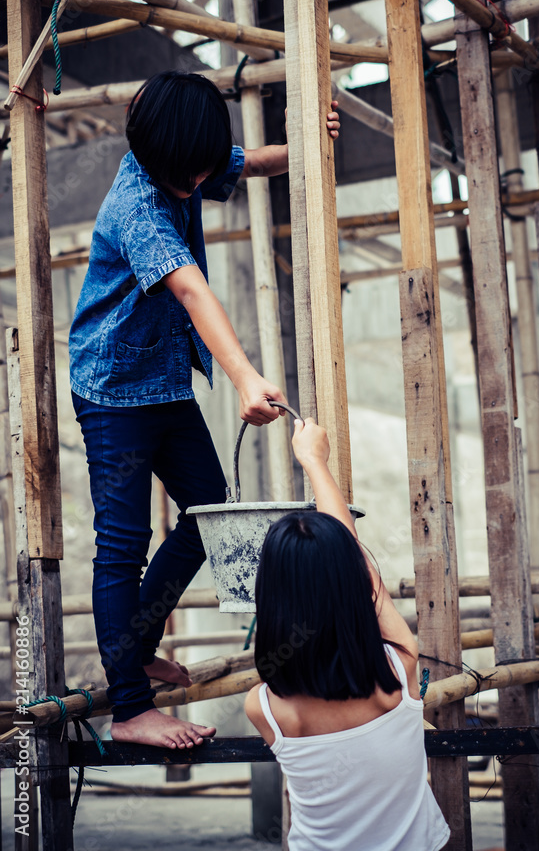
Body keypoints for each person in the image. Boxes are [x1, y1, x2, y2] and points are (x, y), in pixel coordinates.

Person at [69, 70, 340, 749]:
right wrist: (246, 377)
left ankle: (135, 644)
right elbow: (190, 291)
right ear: (157, 160)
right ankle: (130, 707)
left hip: (162, 379)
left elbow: (240, 163)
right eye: (187, 179)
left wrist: (300, 146)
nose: (196, 187)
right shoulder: (140, 204)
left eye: (203, 173)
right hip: (111, 389)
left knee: (208, 518)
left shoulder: (186, 160)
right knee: (121, 548)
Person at [245, 418, 451, 851]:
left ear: (271, 596)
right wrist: (315, 461)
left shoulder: (266, 707)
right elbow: (362, 571)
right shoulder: (398, 671)